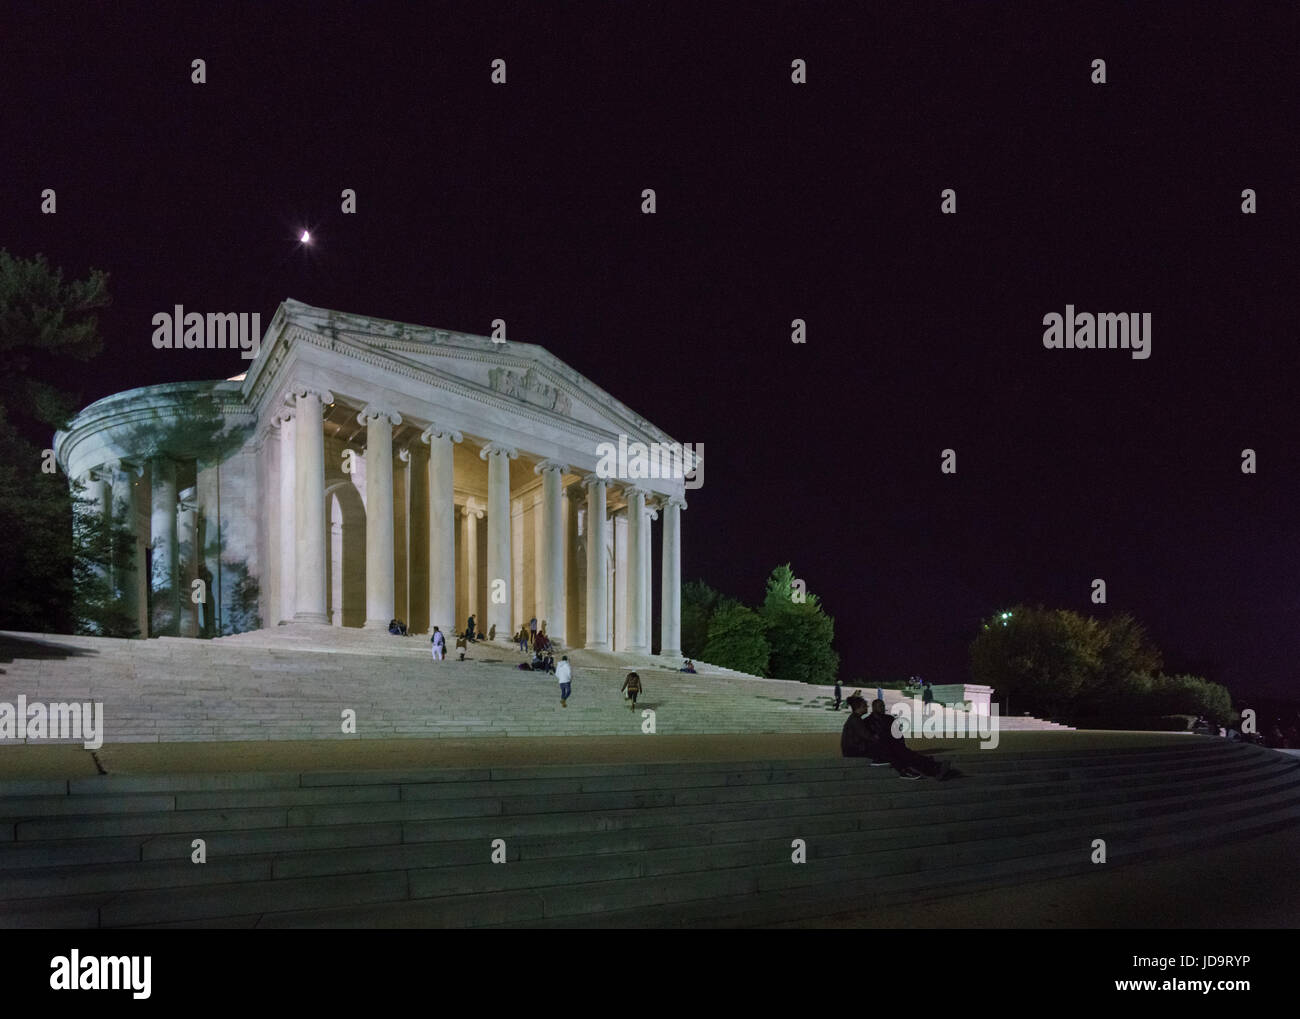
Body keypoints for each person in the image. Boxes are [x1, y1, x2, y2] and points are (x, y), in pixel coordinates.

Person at [864, 699, 951, 780]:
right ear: (874, 707)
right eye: (880, 706)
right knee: (908, 756)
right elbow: (873, 738)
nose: (883, 708)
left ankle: (935, 768)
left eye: (883, 706)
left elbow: (898, 734)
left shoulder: (889, 718)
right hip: (885, 748)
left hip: (895, 746)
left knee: (908, 754)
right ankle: (934, 768)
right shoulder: (868, 722)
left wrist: (899, 730)